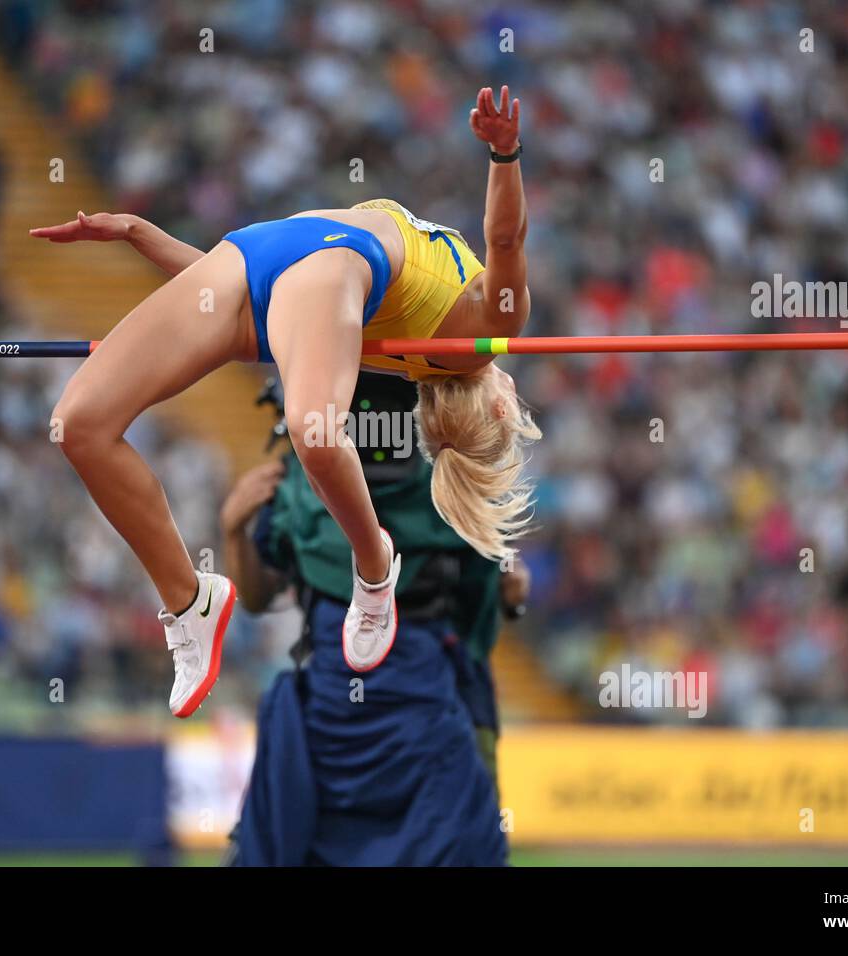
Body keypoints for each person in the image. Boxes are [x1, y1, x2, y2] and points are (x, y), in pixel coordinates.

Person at [30, 87, 540, 718]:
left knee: (316, 428)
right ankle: (191, 603)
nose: (516, 391)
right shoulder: (403, 346)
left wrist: (506, 154)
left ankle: (376, 568)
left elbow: (508, 241)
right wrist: (140, 232)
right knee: (78, 425)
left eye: (517, 408)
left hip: (312, 263)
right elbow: (249, 305)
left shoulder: (490, 333)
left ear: (495, 408)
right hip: (267, 262)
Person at [218, 372, 530, 865]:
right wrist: (234, 530)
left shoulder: (443, 482)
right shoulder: (297, 488)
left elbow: (493, 581)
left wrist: (509, 587)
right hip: (342, 715)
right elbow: (257, 597)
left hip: (411, 711)